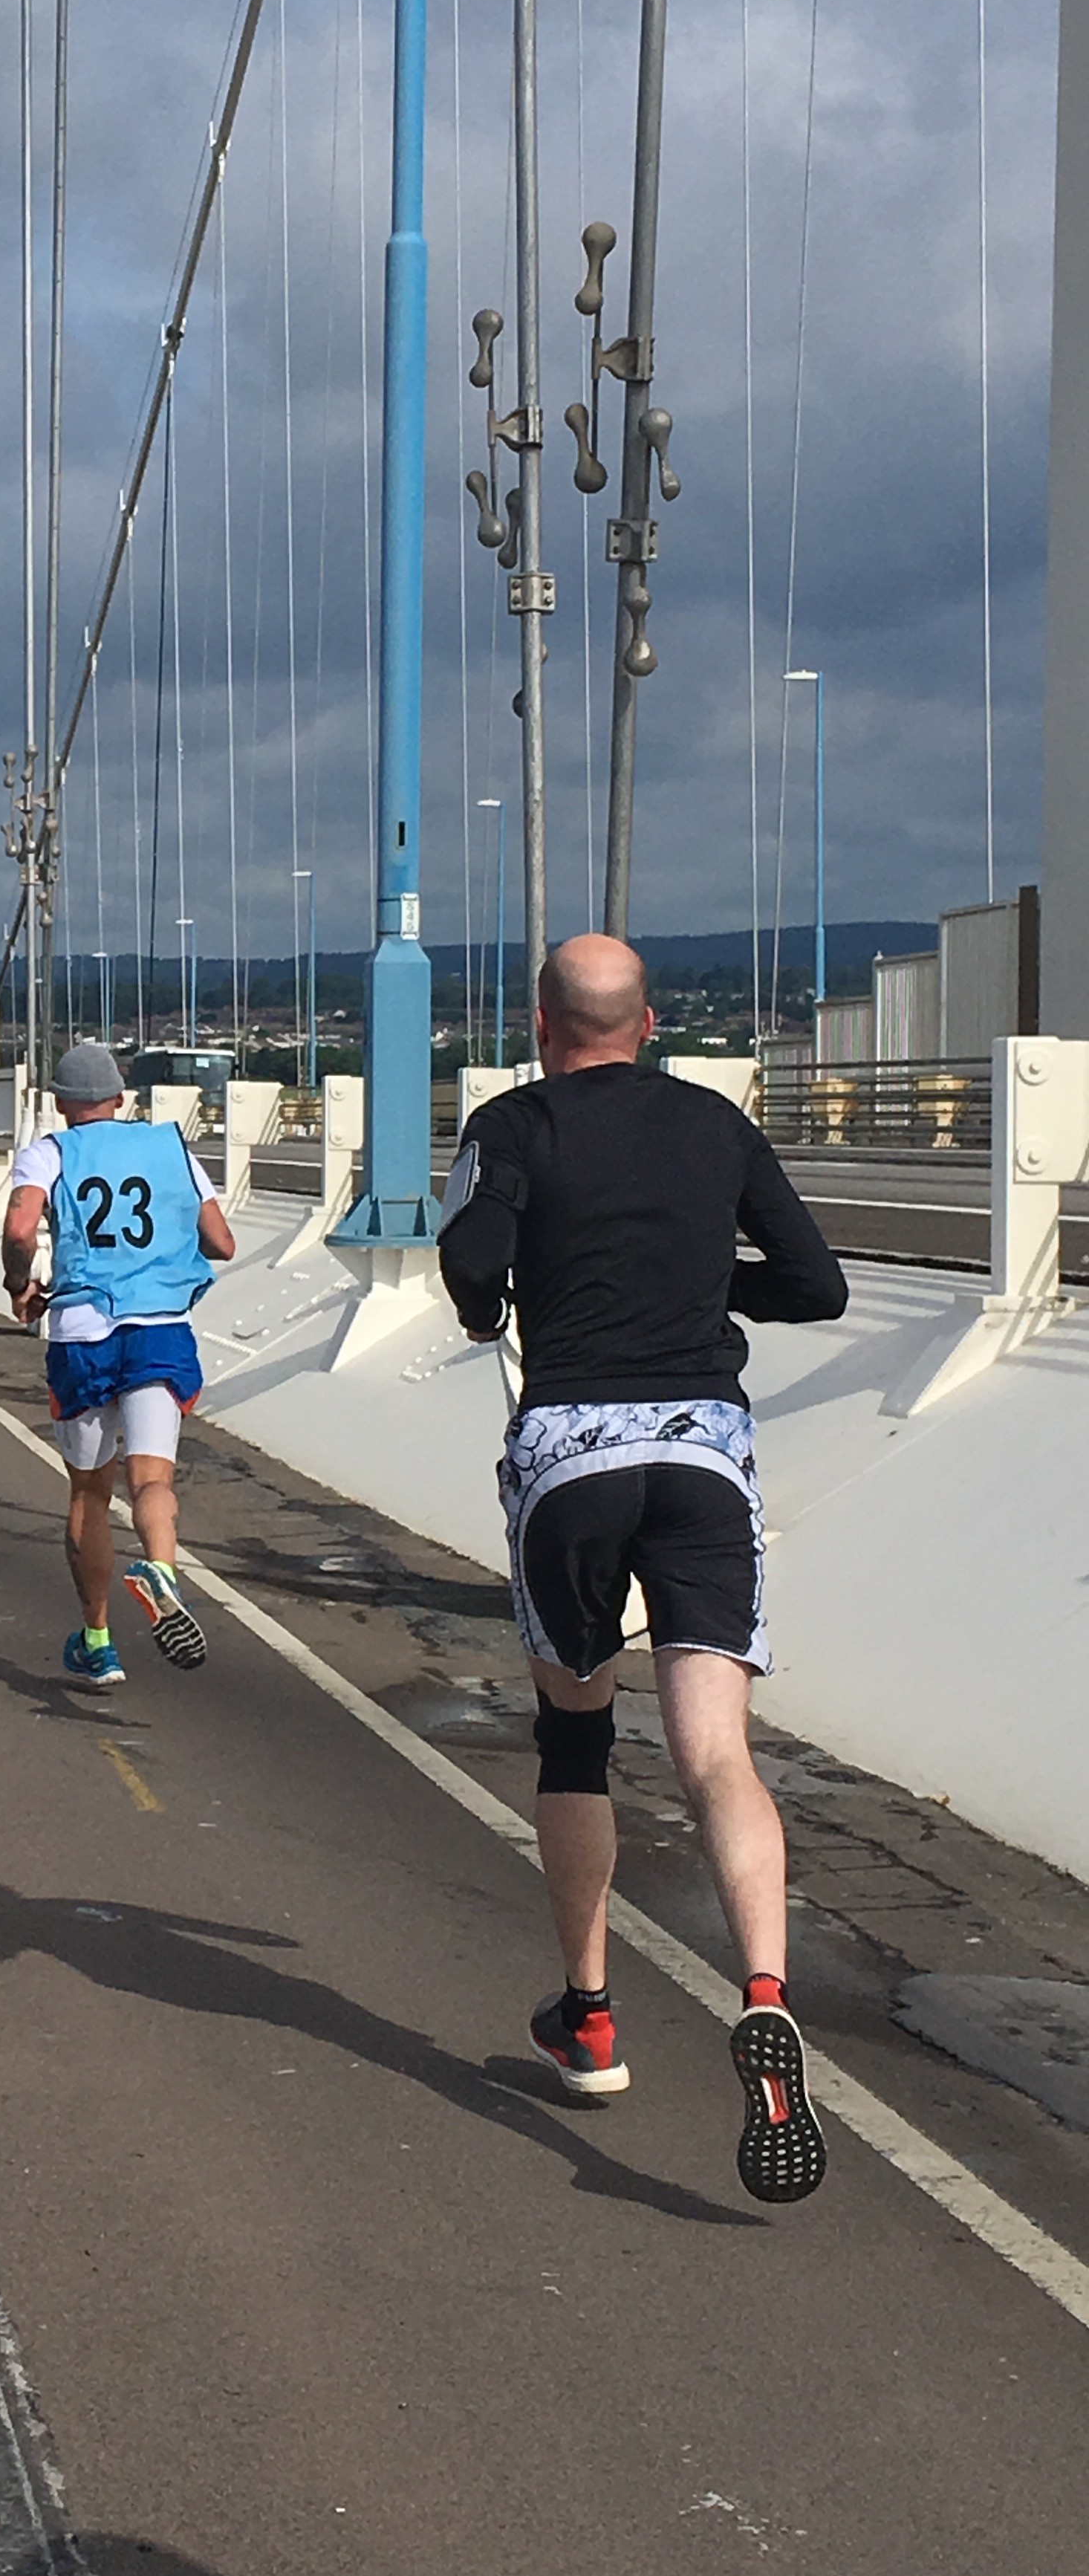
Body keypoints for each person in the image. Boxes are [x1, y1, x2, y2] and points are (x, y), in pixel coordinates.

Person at [436, 933, 848, 2205]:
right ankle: (765, 1993)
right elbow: (817, 1285)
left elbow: (465, 1267)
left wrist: (499, 1305)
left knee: (574, 1734)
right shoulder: (713, 1126)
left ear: (540, 1021)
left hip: (570, 1453)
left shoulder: (511, 1121)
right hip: (701, 1457)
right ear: (648, 1021)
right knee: (715, 1751)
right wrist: (702, 1285)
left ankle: (590, 2017)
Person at [2, 1039, 236, 1685]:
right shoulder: (170, 1147)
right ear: (122, 1099)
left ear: (59, 1104)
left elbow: (22, 1229)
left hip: (83, 1333)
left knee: (89, 1490)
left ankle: (98, 1640)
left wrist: (18, 1283)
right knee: (153, 1480)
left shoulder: (50, 1152)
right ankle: (162, 1568)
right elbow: (221, 1240)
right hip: (160, 1327)